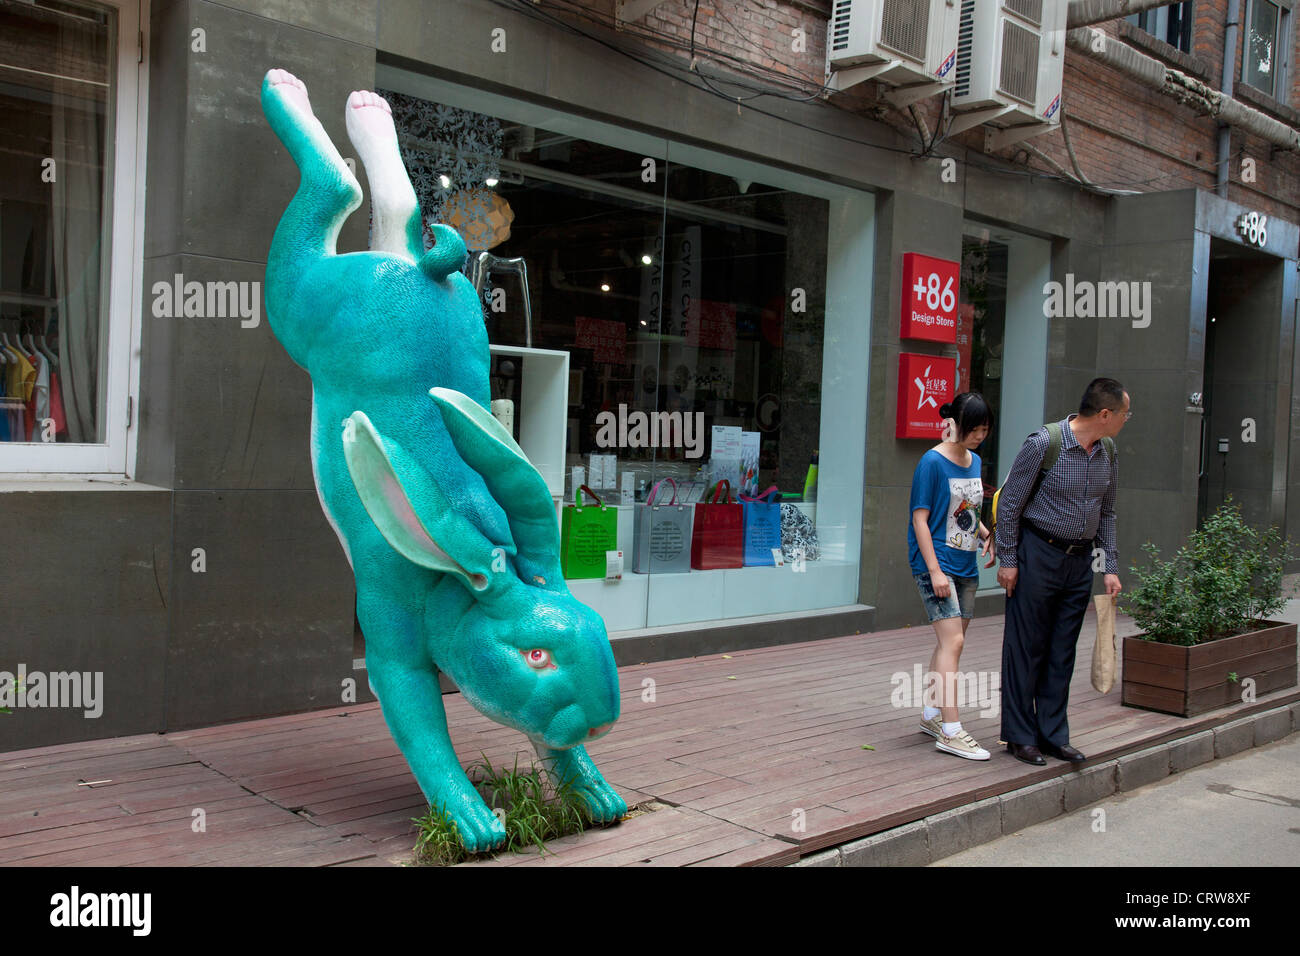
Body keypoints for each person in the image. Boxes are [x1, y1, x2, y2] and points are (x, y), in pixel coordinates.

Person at [995, 378, 1129, 766]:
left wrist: (1109, 567)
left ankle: (1053, 735)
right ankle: (1020, 737)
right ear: (1105, 414)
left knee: (1061, 650)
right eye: (1124, 413)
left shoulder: (1108, 452)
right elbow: (1009, 507)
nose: (1126, 419)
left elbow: (1108, 512)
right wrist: (1008, 560)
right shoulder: (1044, 444)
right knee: (1026, 646)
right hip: (1037, 553)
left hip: (1079, 561)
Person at [907, 392, 996, 760]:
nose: (979, 436)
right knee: (953, 643)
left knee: (950, 643)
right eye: (974, 430)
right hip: (937, 565)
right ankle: (952, 730)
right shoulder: (931, 462)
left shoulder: (973, 461)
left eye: (985, 430)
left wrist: (986, 534)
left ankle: (931, 714)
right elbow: (920, 519)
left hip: (965, 564)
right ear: (956, 425)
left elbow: (965, 511)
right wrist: (934, 571)